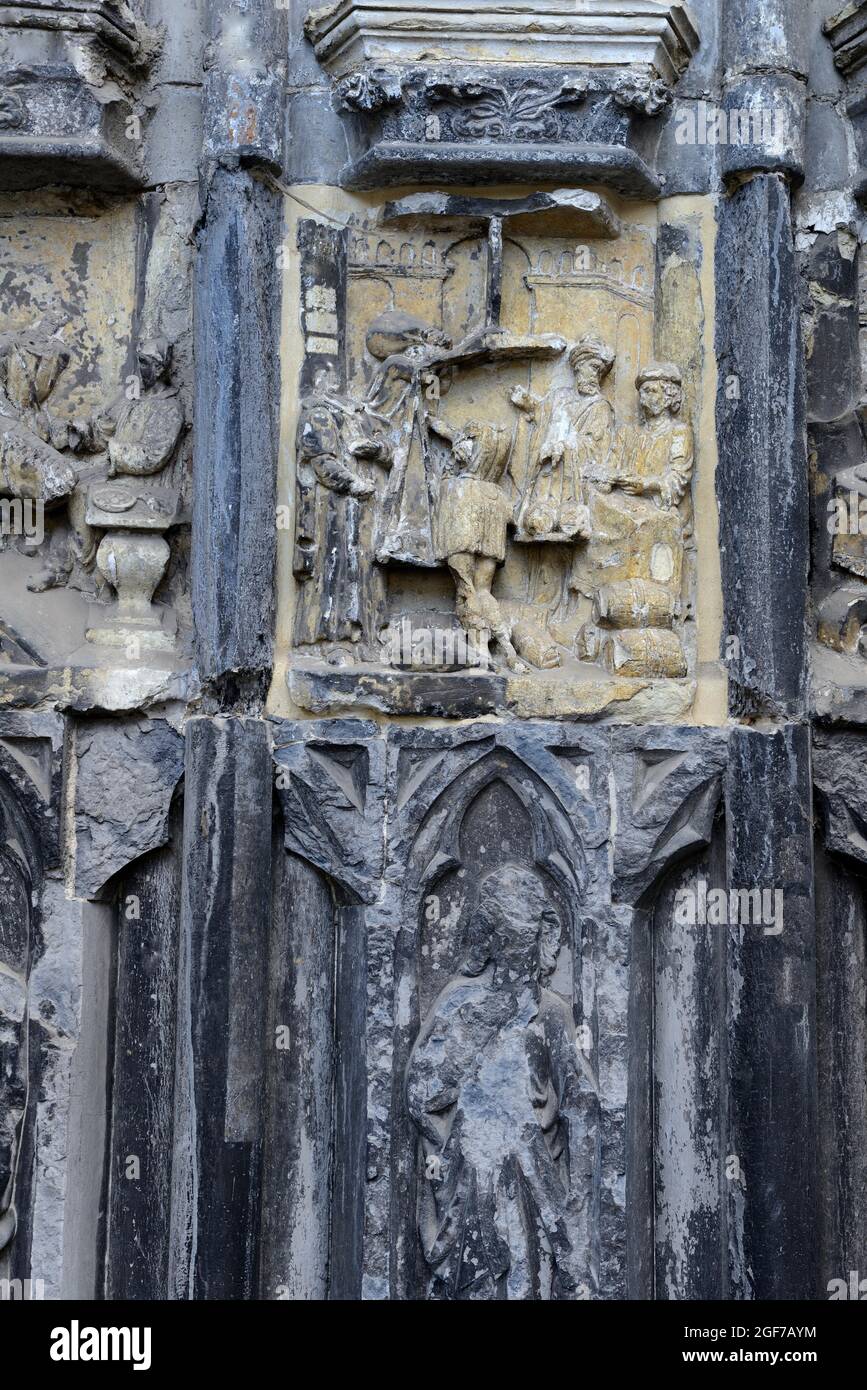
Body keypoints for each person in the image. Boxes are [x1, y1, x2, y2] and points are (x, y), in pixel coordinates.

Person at [405, 864, 598, 1300]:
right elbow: (420, 1095)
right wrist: (472, 1034)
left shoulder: (549, 1010)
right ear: (488, 939)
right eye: (507, 938)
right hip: (470, 1184)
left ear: (540, 937)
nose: (518, 952)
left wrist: (578, 1199)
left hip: (532, 1183)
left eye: (526, 938)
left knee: (526, 1280)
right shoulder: (459, 1001)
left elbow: (580, 1100)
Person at [429, 416, 525, 672]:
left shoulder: (451, 488)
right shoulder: (498, 494)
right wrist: (444, 429)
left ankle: (481, 649)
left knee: (467, 588)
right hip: (490, 514)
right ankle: (508, 649)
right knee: (484, 590)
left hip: (462, 520)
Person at [511, 336, 615, 539]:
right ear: (578, 367)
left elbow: (596, 448)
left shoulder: (600, 406)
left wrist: (565, 446)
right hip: (546, 478)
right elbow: (544, 416)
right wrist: (527, 403)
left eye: (600, 372)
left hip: (572, 484)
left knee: (568, 520)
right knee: (537, 519)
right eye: (593, 368)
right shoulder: (559, 396)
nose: (597, 376)